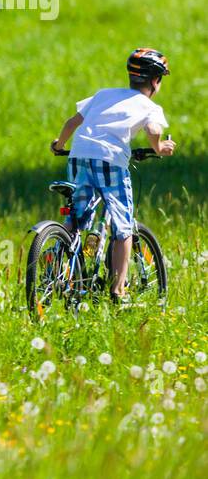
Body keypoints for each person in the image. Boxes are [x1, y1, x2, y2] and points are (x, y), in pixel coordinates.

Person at [51, 48, 175, 302]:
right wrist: (160, 147)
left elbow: (72, 122)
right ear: (155, 80)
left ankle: (60, 266)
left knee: (76, 216)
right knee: (123, 227)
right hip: (110, 162)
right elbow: (152, 130)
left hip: (78, 157)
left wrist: (60, 144)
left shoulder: (103, 95)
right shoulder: (150, 106)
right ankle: (118, 291)